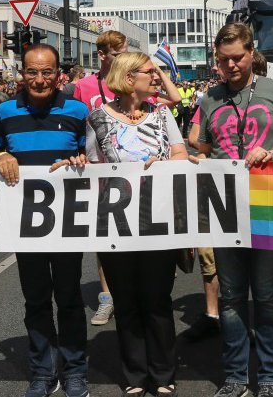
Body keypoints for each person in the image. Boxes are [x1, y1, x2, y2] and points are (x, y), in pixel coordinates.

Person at [193, 23, 273, 397]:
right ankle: (236, 376)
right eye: (224, 60)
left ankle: (270, 376)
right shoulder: (210, 99)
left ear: (252, 52)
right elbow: (202, 152)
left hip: (267, 207)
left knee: (267, 296)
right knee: (232, 297)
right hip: (225, 211)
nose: (231, 65)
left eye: (237, 57)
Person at [0, 43, 91, 397]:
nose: (40, 79)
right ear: (22, 74)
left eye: (47, 72)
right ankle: (42, 373)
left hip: (67, 223)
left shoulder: (78, 110)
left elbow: (92, 155)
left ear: (59, 74)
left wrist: (82, 161)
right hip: (25, 225)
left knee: (70, 298)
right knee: (35, 301)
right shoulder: (4, 111)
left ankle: (75, 371)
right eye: (32, 71)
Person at [86, 51, 188, 397]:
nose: (156, 77)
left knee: (157, 299)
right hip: (116, 223)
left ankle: (162, 372)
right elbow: (92, 166)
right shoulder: (97, 118)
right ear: (129, 78)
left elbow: (180, 154)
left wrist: (166, 162)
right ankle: (134, 373)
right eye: (150, 72)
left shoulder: (161, 115)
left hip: (159, 219)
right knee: (127, 300)